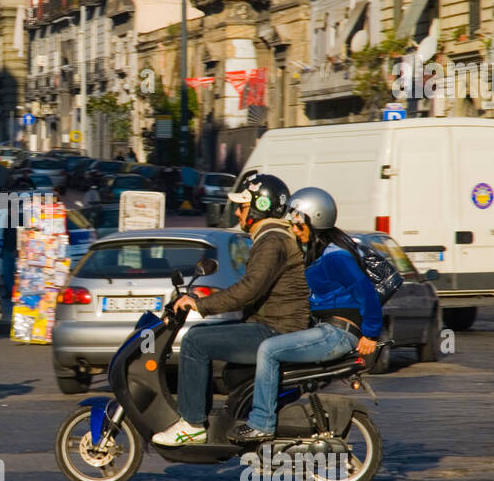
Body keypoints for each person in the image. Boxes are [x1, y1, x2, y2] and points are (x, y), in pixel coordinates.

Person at [152, 172, 311, 446]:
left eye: (242, 206)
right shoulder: (272, 237)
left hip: (276, 331)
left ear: (260, 207)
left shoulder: (272, 240)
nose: (238, 213)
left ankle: (192, 423)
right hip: (272, 325)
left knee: (195, 341)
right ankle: (207, 418)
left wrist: (199, 304)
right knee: (204, 335)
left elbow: (250, 288)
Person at [232, 187, 381, 443]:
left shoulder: (336, 256)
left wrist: (371, 333)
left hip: (337, 333)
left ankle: (261, 423)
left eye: (298, 226)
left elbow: (366, 291)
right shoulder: (319, 252)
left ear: (314, 222)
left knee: (269, 349)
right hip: (326, 329)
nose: (294, 231)